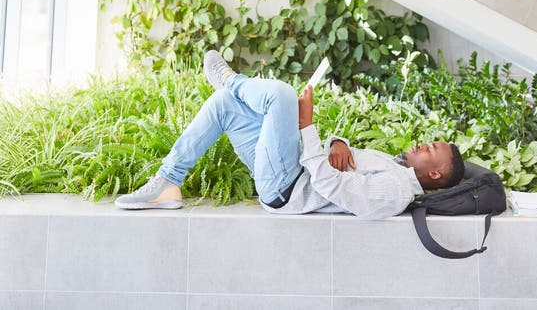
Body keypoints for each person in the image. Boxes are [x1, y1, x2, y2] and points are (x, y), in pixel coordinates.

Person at [115, 50, 465, 218]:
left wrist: (306, 125)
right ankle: (167, 182)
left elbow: (330, 185)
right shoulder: (394, 166)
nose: (422, 143)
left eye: (431, 148)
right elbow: (341, 165)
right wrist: (338, 143)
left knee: (280, 95)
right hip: (286, 170)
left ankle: (230, 78)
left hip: (286, 187)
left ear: (434, 172)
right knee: (225, 105)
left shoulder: (396, 190)